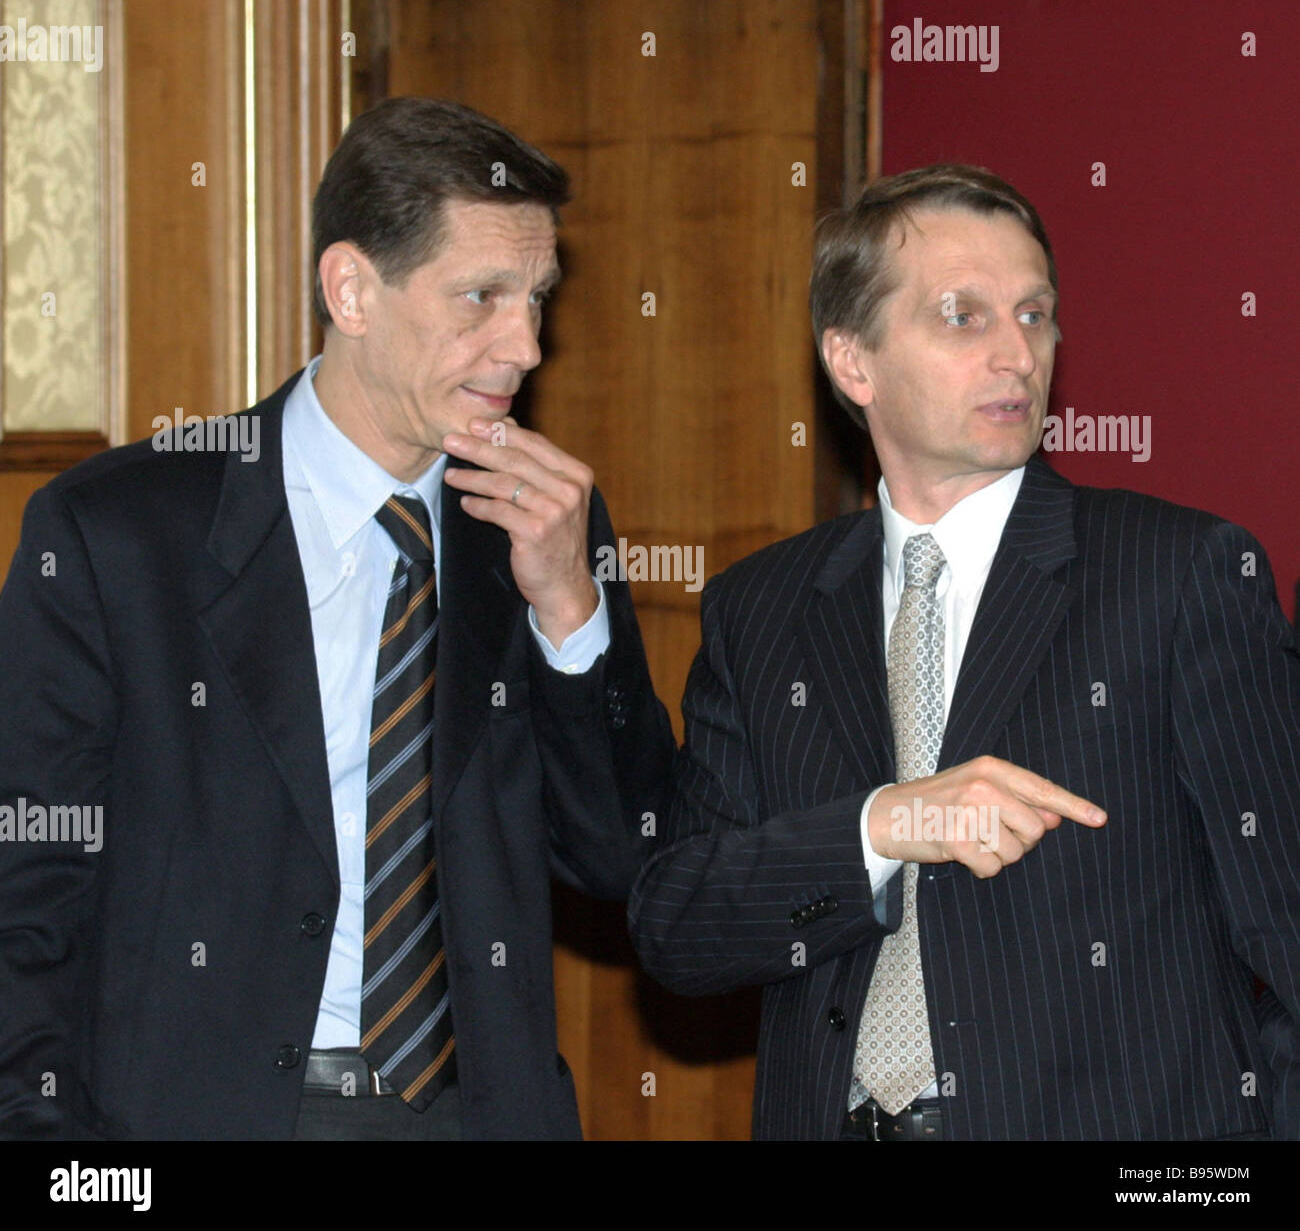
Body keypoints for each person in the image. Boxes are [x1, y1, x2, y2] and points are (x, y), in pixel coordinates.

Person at [0, 97, 673, 1141]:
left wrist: (569, 613)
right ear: (352, 289)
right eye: (481, 297)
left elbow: (627, 860)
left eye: (537, 298)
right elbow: (24, 898)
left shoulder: (541, 531)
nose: (526, 346)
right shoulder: (119, 534)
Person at [629, 163, 1300, 1141]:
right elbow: (679, 927)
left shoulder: (1177, 572)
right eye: (962, 316)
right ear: (852, 362)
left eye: (1034, 314)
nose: (1015, 354)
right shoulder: (761, 606)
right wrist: (876, 828)